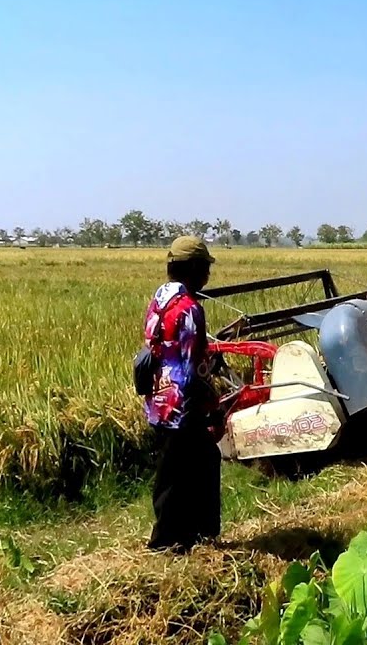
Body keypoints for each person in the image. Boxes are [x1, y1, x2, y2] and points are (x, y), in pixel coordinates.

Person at [140, 235, 223, 553]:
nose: (207, 276)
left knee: (179, 467)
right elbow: (191, 369)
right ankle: (169, 542)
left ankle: (190, 537)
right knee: (184, 470)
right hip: (181, 403)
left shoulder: (160, 298)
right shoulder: (190, 309)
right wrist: (212, 404)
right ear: (192, 269)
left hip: (158, 398)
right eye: (205, 268)